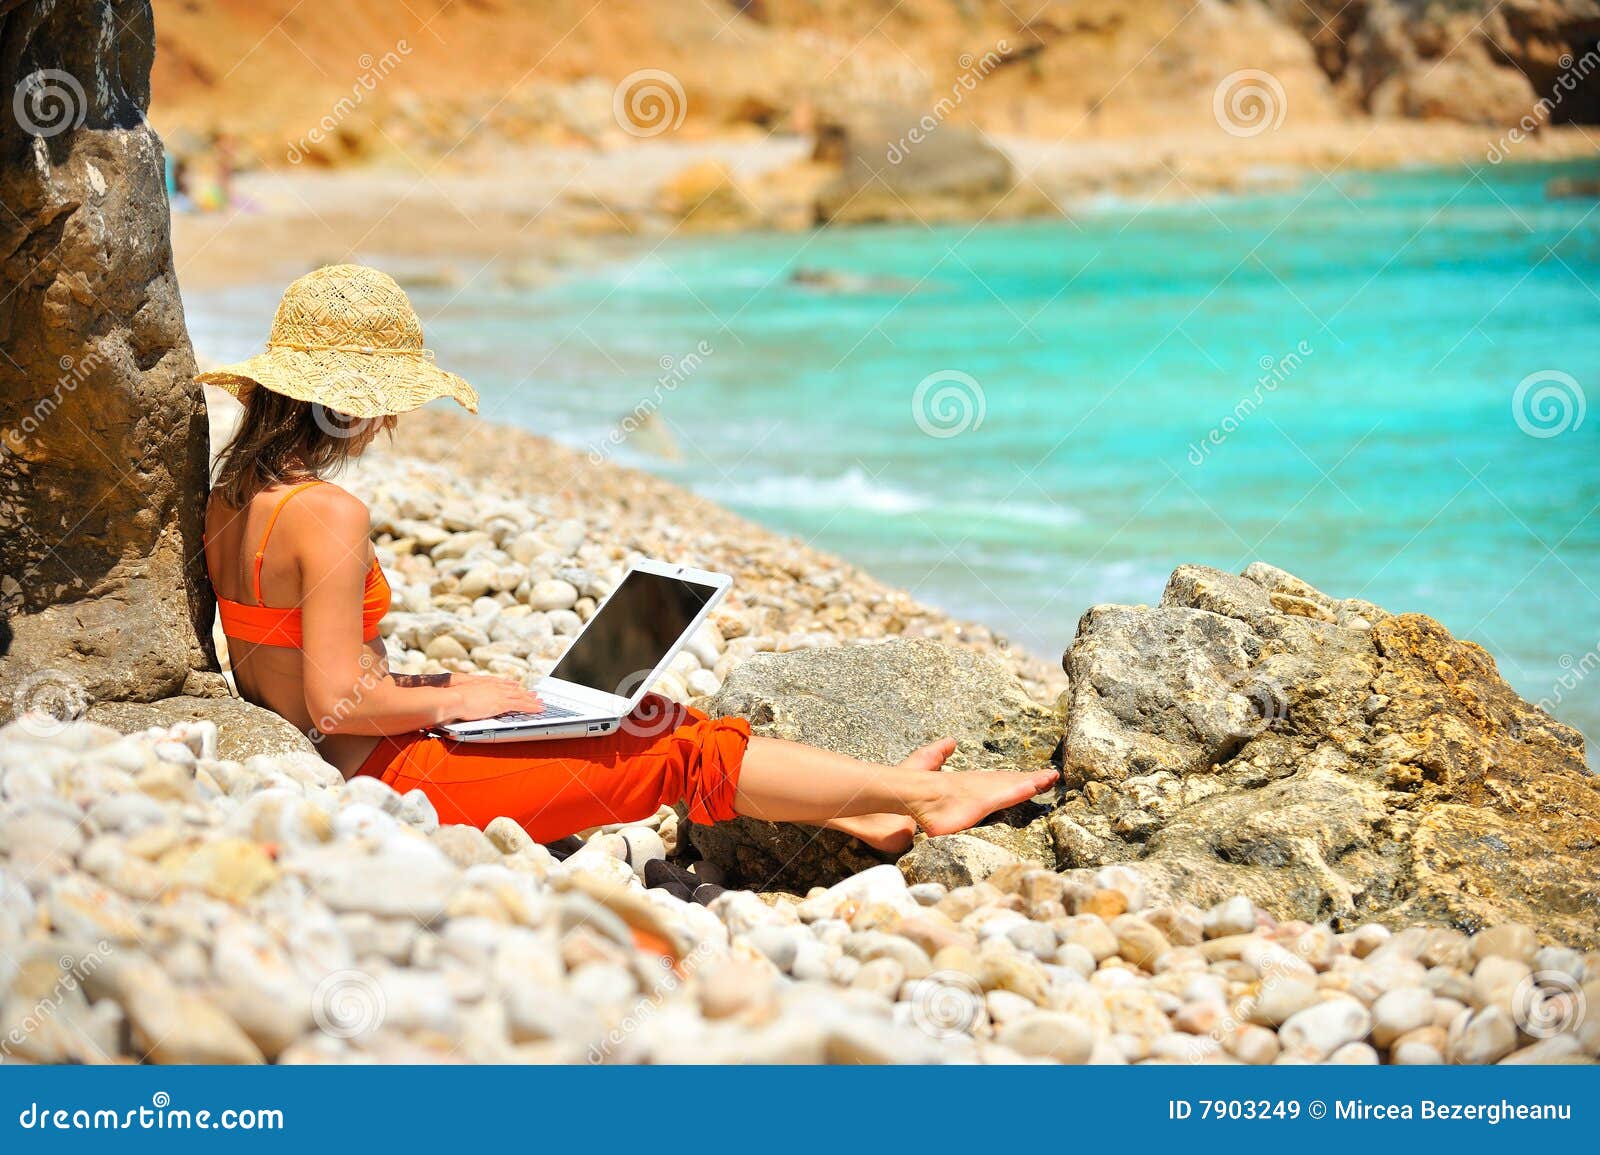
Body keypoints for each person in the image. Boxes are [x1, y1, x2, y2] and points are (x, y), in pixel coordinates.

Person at [198, 264, 1058, 868]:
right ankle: (920, 799)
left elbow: (288, 668)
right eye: (389, 403)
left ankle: (865, 806)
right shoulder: (328, 512)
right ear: (352, 404)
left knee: (640, 711)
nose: (391, 422)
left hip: (363, 753)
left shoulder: (232, 494)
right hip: (394, 777)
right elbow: (332, 699)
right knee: (668, 743)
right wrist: (457, 699)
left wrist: (443, 686)